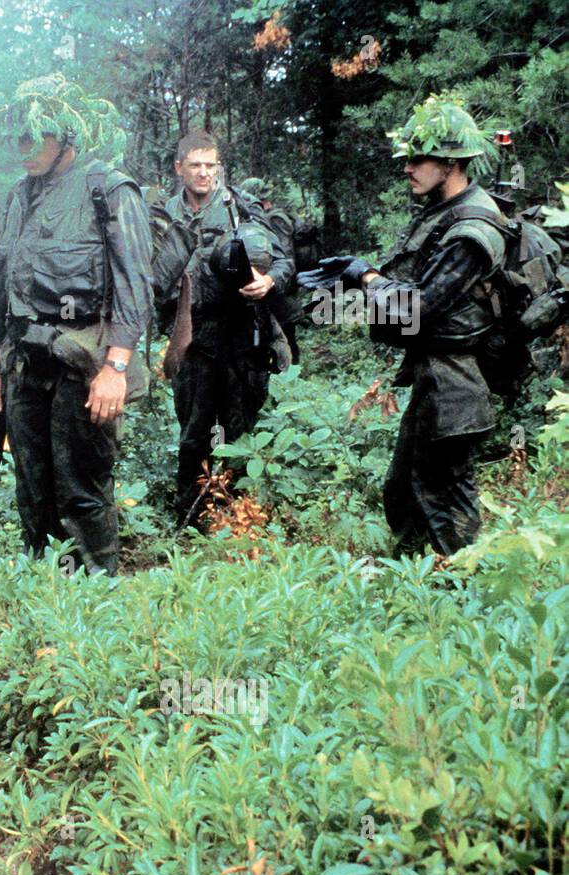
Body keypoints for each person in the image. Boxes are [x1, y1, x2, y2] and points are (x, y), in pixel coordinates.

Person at [300, 95, 504, 556]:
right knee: (404, 492)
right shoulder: (445, 215)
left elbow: (420, 307)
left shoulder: (472, 230)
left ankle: (463, 599)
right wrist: (358, 279)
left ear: (451, 162)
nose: (407, 168)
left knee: (444, 502)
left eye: (418, 158)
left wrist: (366, 276)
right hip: (435, 378)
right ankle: (412, 593)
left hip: (455, 385)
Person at [0, 75, 156, 574]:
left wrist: (115, 367)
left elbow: (135, 286)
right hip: (24, 362)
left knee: (81, 487)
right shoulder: (18, 197)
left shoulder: (109, 191)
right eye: (20, 139)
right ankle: (43, 589)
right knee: (32, 483)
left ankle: (97, 600)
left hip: (83, 362)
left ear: (67, 139)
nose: (25, 149)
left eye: (38, 138)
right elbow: (3, 285)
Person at [160, 131, 293, 524]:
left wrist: (268, 282)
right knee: (194, 432)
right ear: (179, 168)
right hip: (192, 337)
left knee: (238, 430)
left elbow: (284, 262)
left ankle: (236, 515)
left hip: (240, 334)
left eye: (210, 165)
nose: (204, 173)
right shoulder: (165, 215)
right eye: (195, 165)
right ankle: (192, 519)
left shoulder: (242, 208)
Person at [239, 176, 306, 362]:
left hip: (280, 295)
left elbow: (286, 259)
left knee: (286, 344)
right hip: (268, 294)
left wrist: (269, 278)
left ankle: (292, 380)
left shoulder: (275, 219)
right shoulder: (257, 221)